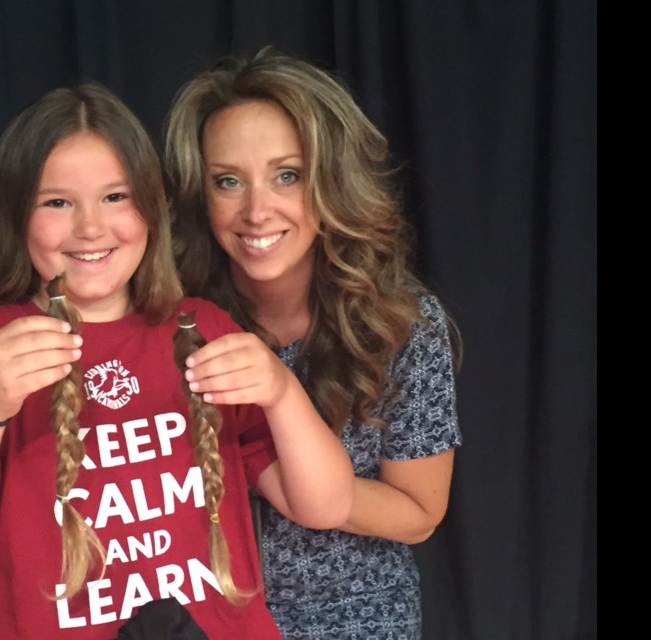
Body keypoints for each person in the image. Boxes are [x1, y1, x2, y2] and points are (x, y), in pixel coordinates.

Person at [0, 83, 354, 640]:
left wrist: (281, 391)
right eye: (57, 202)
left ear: (152, 207)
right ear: (16, 217)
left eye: (115, 197)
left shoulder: (200, 328)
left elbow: (327, 505)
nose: (90, 227)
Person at [165, 47, 462, 639]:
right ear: (201, 193)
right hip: (198, 618)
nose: (256, 210)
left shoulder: (400, 322)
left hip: (354, 616)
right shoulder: (175, 318)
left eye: (286, 175)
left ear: (330, 179)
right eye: (228, 181)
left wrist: (298, 477)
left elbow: (420, 515)